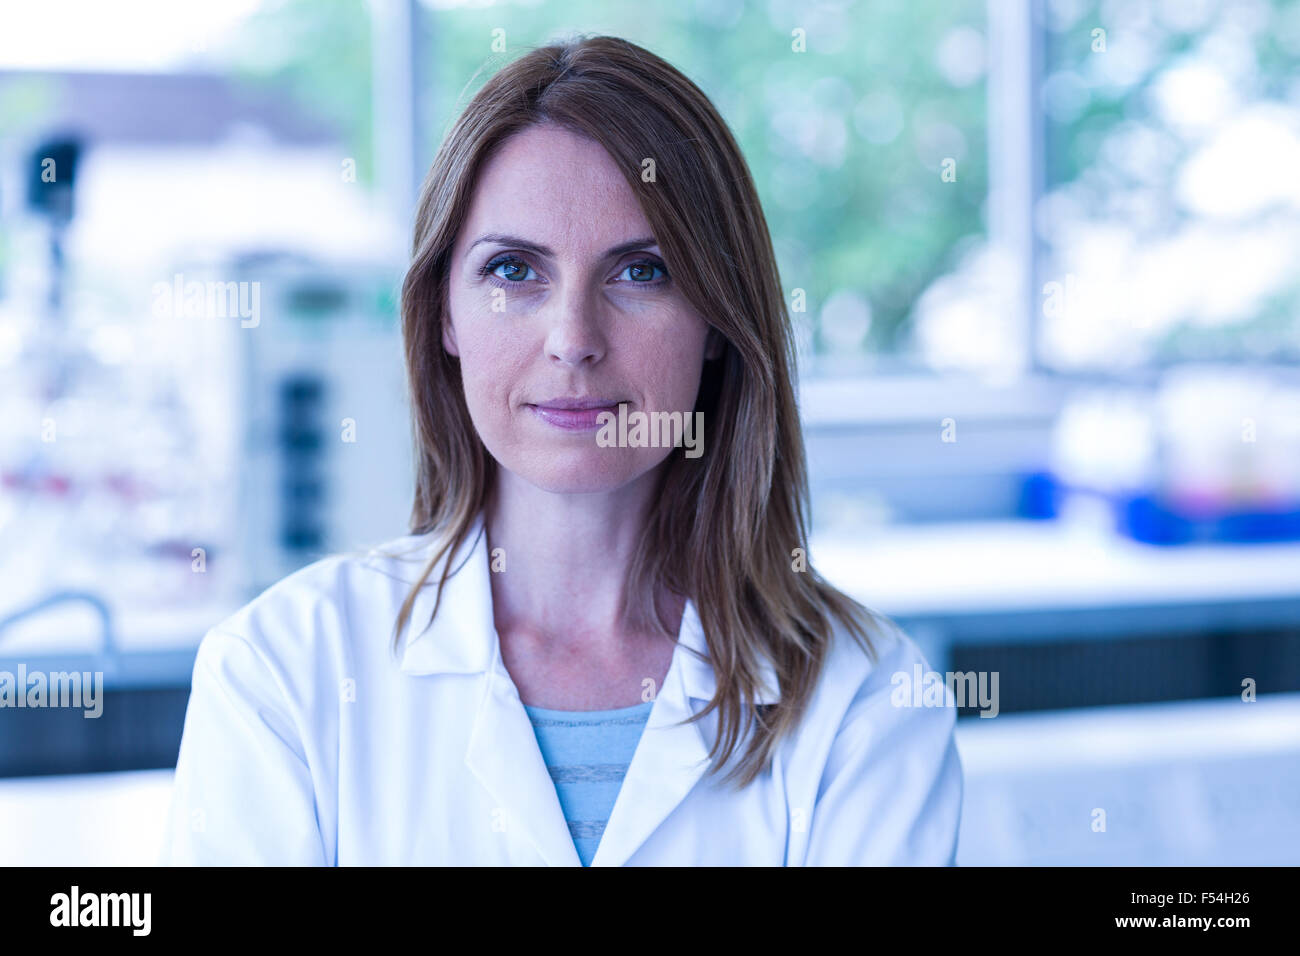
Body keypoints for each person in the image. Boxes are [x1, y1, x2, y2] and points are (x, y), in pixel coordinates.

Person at [160, 34, 962, 866]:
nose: (573, 339)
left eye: (641, 273)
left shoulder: (864, 700)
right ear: (444, 315)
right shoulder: (280, 673)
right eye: (513, 270)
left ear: (720, 323)